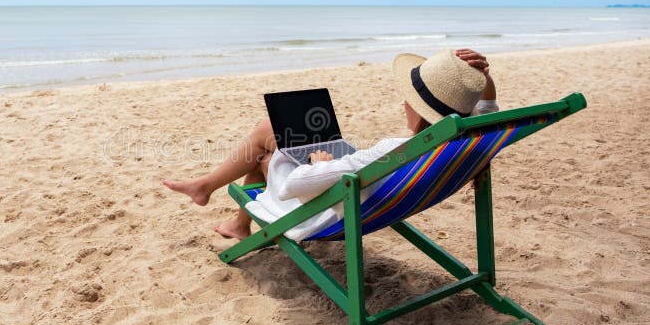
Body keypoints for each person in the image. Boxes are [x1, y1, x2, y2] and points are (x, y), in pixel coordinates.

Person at [163, 48, 497, 240]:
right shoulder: (470, 138)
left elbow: (295, 186)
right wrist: (482, 79)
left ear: (417, 107)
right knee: (275, 137)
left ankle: (213, 195)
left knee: (267, 143)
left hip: (329, 211)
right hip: (369, 193)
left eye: (408, 98)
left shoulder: (395, 150)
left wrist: (321, 164)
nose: (404, 104)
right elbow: (488, 111)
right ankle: (230, 214)